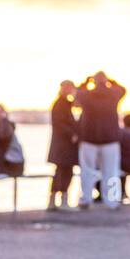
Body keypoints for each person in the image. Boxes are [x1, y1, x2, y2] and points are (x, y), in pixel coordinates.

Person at [74, 71, 126, 209]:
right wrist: (111, 81)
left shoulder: (86, 95)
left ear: (94, 81)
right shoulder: (113, 94)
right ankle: (113, 201)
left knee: (87, 171)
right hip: (110, 140)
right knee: (112, 171)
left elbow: (77, 92)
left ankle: (86, 199)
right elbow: (123, 89)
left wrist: (86, 82)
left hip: (89, 139)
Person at [47, 80, 78, 211]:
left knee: (62, 172)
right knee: (63, 172)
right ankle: (59, 202)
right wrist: (72, 134)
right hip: (63, 146)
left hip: (63, 146)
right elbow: (60, 124)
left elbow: (78, 103)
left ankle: (55, 201)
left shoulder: (63, 103)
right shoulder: (60, 104)